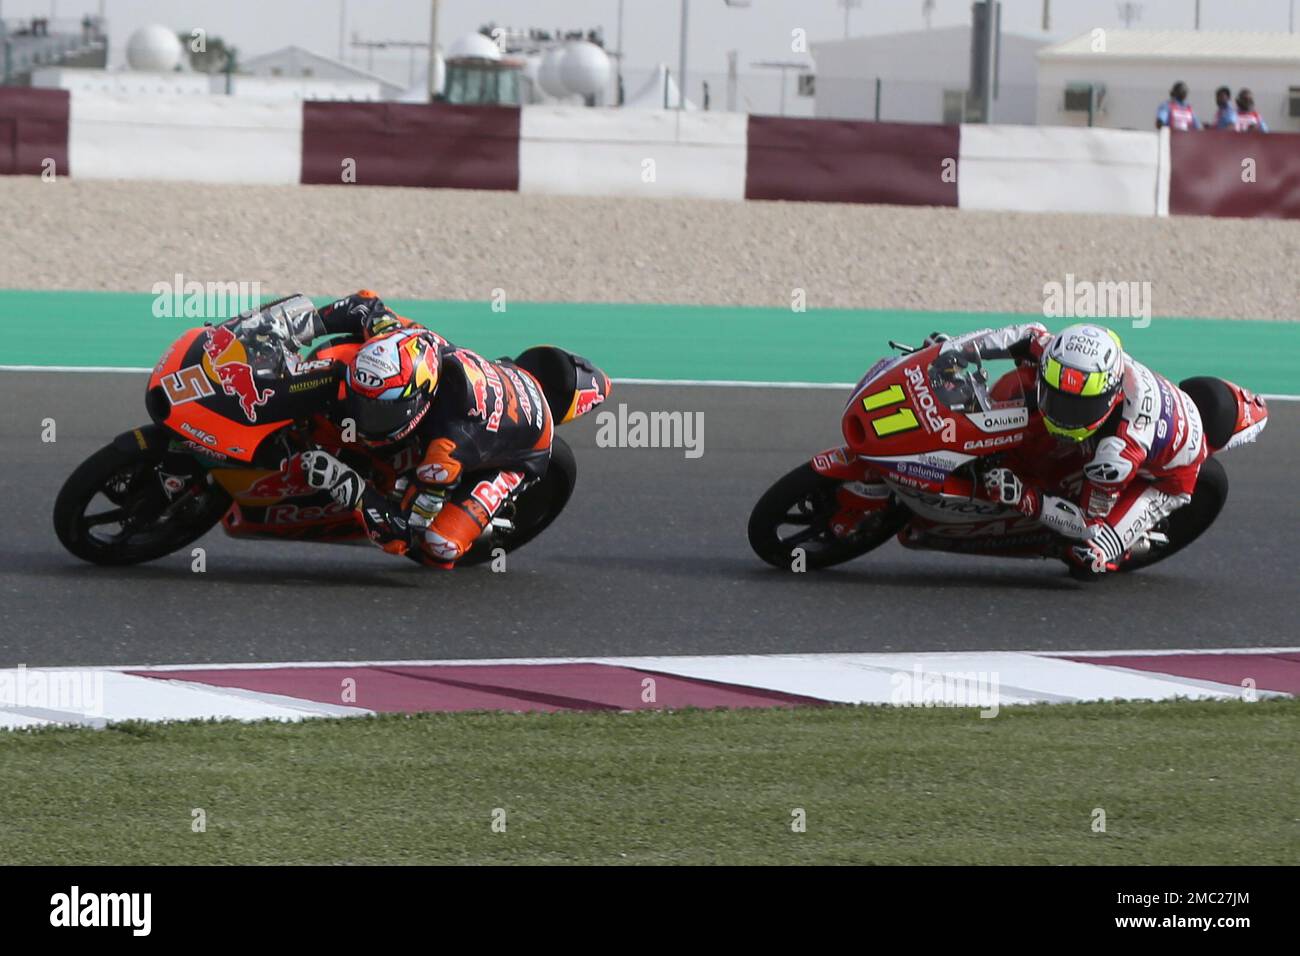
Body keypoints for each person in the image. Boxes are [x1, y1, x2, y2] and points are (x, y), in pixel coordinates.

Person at [224, 290, 554, 568]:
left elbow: (402, 535)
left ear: (417, 402)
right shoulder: (399, 338)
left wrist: (346, 482)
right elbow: (362, 304)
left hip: (524, 445)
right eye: (361, 402)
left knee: (439, 546)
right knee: (338, 355)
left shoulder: (446, 452)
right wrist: (287, 329)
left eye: (379, 412)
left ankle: (467, 508)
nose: (362, 417)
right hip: (490, 385)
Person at [969, 323, 1207, 574]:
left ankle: (1122, 547)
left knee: (1087, 557)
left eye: (1079, 409)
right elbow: (1024, 334)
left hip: (1171, 476)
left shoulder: (1118, 453)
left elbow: (1087, 523)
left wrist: (1024, 498)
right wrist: (957, 350)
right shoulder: (1058, 355)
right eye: (1056, 399)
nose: (1063, 415)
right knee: (1027, 377)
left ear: (1110, 397)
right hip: (1142, 420)